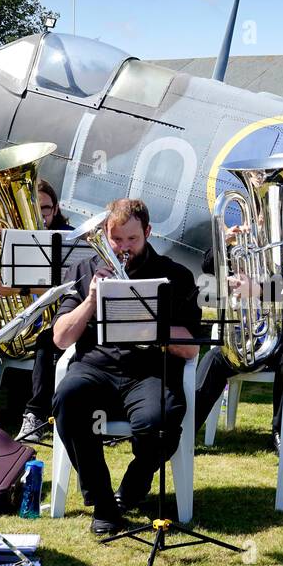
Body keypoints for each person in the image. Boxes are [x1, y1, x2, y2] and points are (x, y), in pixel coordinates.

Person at [50, 198, 200, 534]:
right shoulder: (84, 269)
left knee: (159, 421)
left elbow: (191, 349)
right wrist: (91, 298)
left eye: (132, 239)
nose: (123, 248)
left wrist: (152, 321)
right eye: (116, 239)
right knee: (67, 400)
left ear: (148, 232)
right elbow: (61, 338)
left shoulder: (175, 275)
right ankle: (102, 500)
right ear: (105, 233)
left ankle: (136, 481)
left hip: (148, 370)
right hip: (96, 367)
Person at [193, 194, 283, 451]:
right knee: (215, 358)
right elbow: (209, 268)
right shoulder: (245, 247)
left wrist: (256, 290)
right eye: (274, 221)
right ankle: (185, 428)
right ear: (259, 221)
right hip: (251, 337)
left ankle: (281, 431)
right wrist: (223, 245)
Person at [0, 179, 75, 444]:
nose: (41, 216)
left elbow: (66, 287)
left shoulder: (70, 238)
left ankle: (35, 415)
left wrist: (17, 291)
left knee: (45, 343)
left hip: (60, 322)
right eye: (34, 210)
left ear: (57, 207)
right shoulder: (14, 238)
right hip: (27, 321)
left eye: (46, 209)